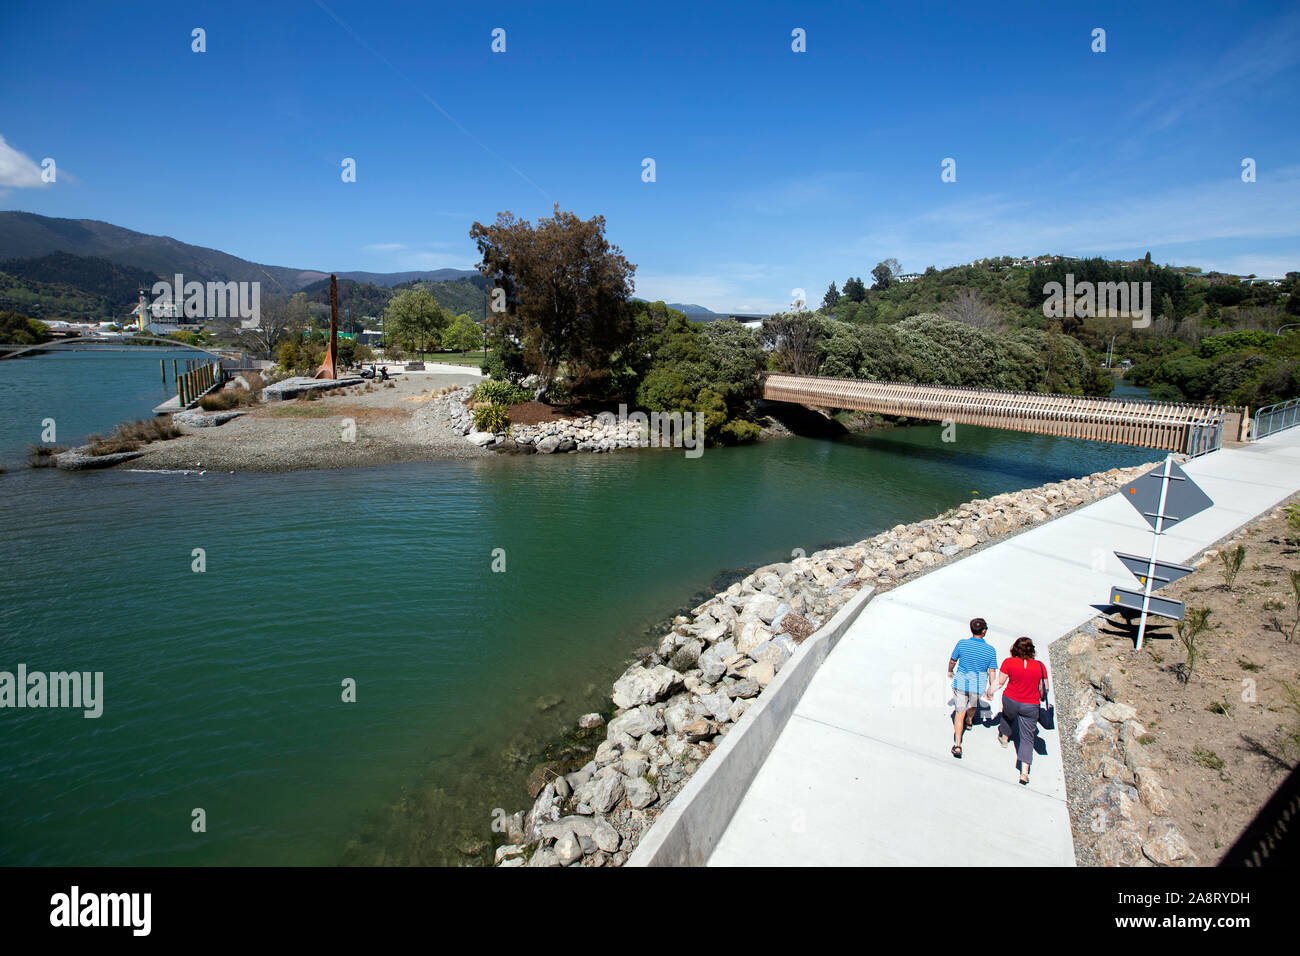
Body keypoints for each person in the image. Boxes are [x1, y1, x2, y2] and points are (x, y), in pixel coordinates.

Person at [989, 636, 1047, 785]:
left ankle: (1005, 738)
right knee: (1027, 737)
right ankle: (1024, 772)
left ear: (1014, 648)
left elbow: (1000, 682)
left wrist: (990, 690)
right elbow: (1044, 688)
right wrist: (1040, 696)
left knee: (1007, 717)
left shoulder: (1009, 662)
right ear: (1032, 650)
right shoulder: (1040, 666)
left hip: (1011, 700)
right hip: (1030, 704)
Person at [947, 617, 998, 758]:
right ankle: (969, 721)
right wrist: (990, 690)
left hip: (962, 682)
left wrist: (950, 671)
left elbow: (952, 660)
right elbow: (992, 671)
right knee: (973, 705)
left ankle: (958, 744)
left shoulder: (962, 644)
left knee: (959, 711)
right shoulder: (990, 650)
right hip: (978, 684)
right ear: (984, 631)